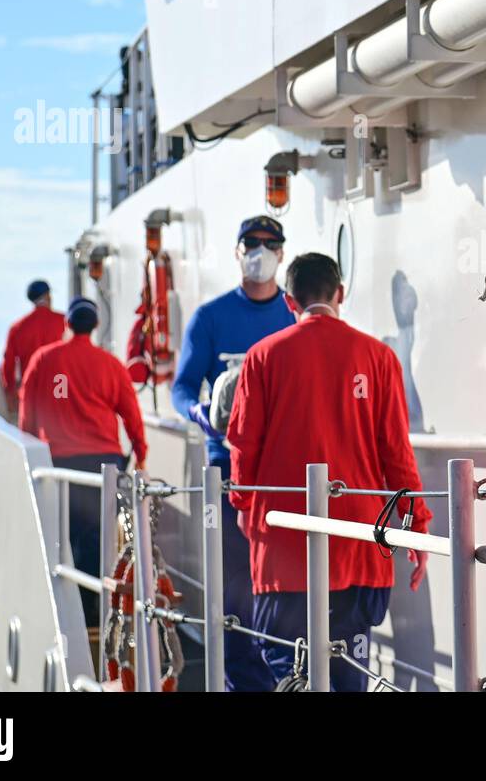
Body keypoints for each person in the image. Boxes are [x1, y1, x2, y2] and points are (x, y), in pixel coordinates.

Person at [227, 252, 430, 691]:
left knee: (287, 670)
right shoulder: (379, 357)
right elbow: (396, 454)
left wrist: (243, 506)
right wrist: (417, 525)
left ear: (289, 301)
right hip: (358, 547)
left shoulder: (261, 358)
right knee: (348, 676)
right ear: (340, 293)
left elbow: (242, 448)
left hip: (283, 551)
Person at [171, 214, 295, 692]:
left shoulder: (292, 315)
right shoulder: (211, 317)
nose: (259, 250)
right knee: (235, 586)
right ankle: (243, 683)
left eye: (269, 243)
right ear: (237, 250)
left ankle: (289, 674)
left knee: (288, 583)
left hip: (282, 471)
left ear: (282, 253)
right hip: (226, 470)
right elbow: (181, 386)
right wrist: (200, 414)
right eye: (251, 242)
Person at [19, 298, 147, 624]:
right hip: (102, 466)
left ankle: (66, 607)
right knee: (98, 539)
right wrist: (140, 454)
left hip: (59, 465)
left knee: (62, 537)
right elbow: (131, 414)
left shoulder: (43, 360)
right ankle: (94, 610)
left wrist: (30, 459)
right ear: (95, 326)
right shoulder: (109, 364)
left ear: (67, 325)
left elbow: (27, 416)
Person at [1, 279, 65, 413]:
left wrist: (10, 392)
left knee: (31, 430)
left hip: (31, 388)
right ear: (48, 296)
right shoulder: (63, 321)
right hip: (59, 387)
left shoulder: (17, 328)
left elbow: (8, 364)